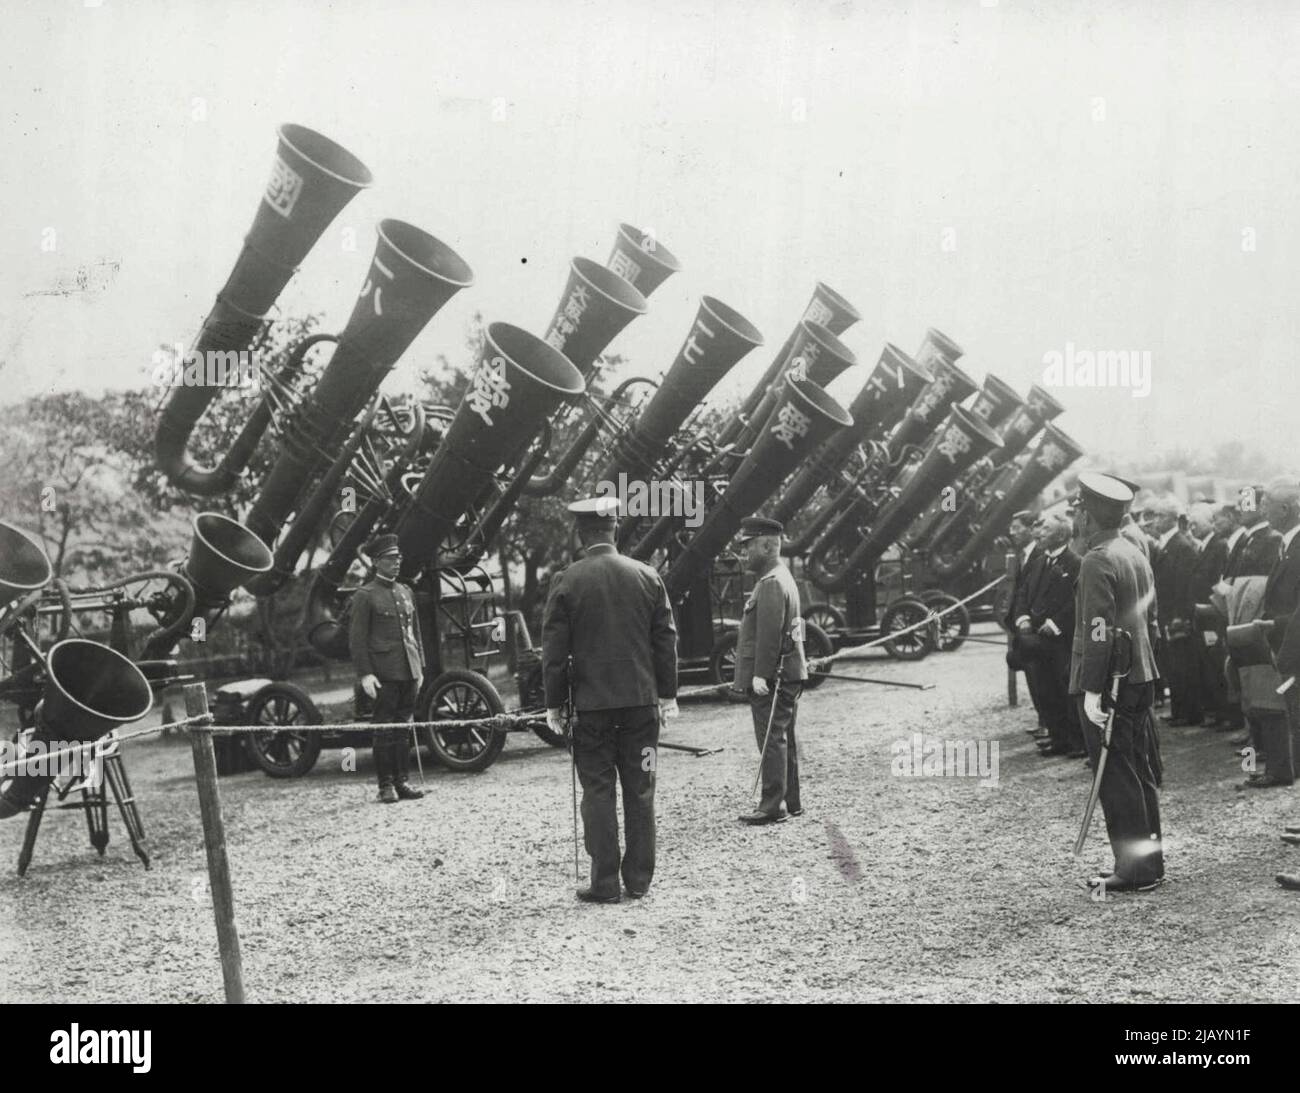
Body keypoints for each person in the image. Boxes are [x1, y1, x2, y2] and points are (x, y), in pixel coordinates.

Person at [541, 496, 679, 903]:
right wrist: (667, 696)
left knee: (598, 790)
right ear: (615, 529)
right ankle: (638, 881)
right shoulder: (648, 576)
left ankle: (604, 884)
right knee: (641, 788)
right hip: (641, 706)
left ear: (581, 535)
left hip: (591, 709)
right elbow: (665, 640)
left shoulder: (566, 581)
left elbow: (553, 652)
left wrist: (554, 705)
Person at [1069, 472, 1163, 893]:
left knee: (1117, 776)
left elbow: (1098, 631)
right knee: (1138, 770)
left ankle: (1133, 870)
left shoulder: (1097, 559)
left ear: (1088, 516)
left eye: (1078, 511)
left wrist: (1092, 688)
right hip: (1139, 673)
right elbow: (1149, 618)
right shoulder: (1132, 551)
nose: (1076, 519)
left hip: (1113, 681)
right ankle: (1149, 863)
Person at [734, 517, 809, 825]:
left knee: (771, 737)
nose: (744, 554)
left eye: (748, 546)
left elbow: (769, 635)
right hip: (787, 673)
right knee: (782, 736)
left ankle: (771, 806)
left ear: (766, 545)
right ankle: (790, 802)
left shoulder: (772, 583)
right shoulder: (780, 577)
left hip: (774, 676)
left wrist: (760, 674)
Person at [350, 534, 425, 804]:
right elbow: (357, 640)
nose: (397, 563)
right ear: (376, 562)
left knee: (403, 728)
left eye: (398, 558)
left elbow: (415, 633)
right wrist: (365, 674)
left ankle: (402, 781)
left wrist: (421, 667)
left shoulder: (405, 592)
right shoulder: (365, 595)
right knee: (384, 728)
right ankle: (385, 785)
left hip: (408, 669)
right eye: (391, 559)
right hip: (383, 673)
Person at [1013, 511, 1083, 758]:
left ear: (1062, 535)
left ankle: (1077, 741)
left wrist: (1055, 624)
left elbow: (1077, 601)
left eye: (1046, 530)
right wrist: (1022, 617)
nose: (1039, 533)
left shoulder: (1075, 563)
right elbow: (1023, 592)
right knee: (1045, 690)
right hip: (1037, 640)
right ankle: (1057, 737)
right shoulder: (1039, 561)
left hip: (1061, 640)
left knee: (1066, 689)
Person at [1249, 477, 1300, 787]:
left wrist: (1275, 625)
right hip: (1287, 647)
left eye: (1267, 503)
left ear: (1286, 508)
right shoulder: (1287, 544)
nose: (1262, 509)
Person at [1148, 497, 1203, 726]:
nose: (1155, 520)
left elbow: (1184, 584)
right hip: (1167, 613)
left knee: (1182, 664)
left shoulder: (1180, 546)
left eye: (1160, 516)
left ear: (1171, 519)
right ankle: (1180, 710)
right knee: (1173, 664)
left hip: (1175, 614)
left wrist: (1180, 615)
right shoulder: (1169, 544)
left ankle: (1188, 712)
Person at [1003, 510, 1045, 733]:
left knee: (1040, 678)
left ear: (1031, 529)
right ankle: (1042, 721)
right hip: (1024, 627)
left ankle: (1047, 724)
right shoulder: (1024, 555)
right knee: (1032, 675)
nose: (1012, 533)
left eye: (1017, 528)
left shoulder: (1038, 554)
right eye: (1012, 528)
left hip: (1034, 628)